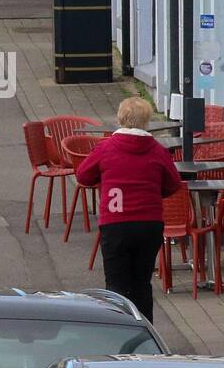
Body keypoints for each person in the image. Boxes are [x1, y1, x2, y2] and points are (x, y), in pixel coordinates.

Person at [74, 96, 181, 322]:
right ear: (146, 121)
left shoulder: (106, 148)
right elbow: (173, 184)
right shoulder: (157, 150)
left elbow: (83, 175)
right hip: (149, 223)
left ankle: (118, 330)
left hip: (115, 224)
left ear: (120, 118)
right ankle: (145, 333)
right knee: (142, 282)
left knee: (116, 284)